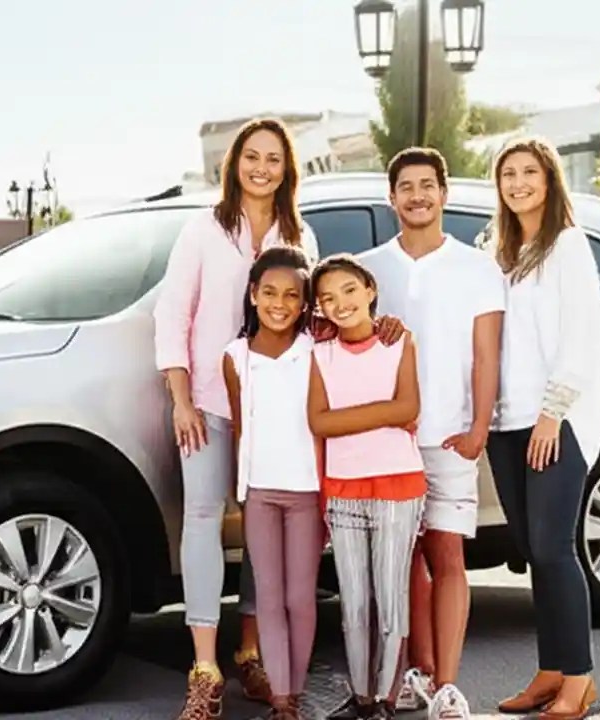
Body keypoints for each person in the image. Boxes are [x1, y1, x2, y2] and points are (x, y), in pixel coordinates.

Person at [153, 117, 319, 720]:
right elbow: (173, 313)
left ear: (287, 168)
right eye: (253, 156)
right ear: (235, 162)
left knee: (260, 529)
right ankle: (205, 668)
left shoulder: (300, 234)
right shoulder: (203, 229)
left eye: (274, 158)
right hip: (207, 403)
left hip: (277, 411)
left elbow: (315, 316)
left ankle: (252, 652)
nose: (262, 168)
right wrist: (180, 397)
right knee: (200, 519)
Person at [359, 147, 505, 720]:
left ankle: (447, 685)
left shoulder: (477, 268)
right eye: (406, 187)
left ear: (444, 194)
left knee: (446, 554)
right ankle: (416, 673)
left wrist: (478, 430)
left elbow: (486, 356)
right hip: (387, 438)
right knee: (400, 563)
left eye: (427, 185)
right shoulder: (370, 268)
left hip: (449, 436)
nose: (417, 196)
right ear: (391, 197)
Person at [483, 137, 600, 720]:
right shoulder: (499, 252)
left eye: (529, 171)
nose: (518, 182)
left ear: (550, 179)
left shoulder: (568, 246)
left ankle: (579, 679)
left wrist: (552, 412)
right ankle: (550, 670)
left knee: (555, 547)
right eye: (508, 173)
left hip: (557, 420)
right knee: (533, 549)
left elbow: (580, 336)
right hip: (507, 421)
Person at [307, 254, 425, 720]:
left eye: (350, 291)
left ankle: (386, 699)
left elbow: (408, 408)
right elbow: (318, 420)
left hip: (400, 486)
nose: (341, 304)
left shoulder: (400, 344)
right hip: (343, 490)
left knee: (391, 596)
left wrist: (349, 421)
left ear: (371, 290)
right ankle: (360, 696)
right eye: (328, 299)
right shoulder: (320, 354)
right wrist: (384, 413)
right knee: (353, 601)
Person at [223, 246, 324, 720]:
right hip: (259, 493)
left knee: (300, 597)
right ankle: (281, 701)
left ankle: (296, 690)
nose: (279, 303)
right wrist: (240, 493)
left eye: (291, 295)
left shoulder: (317, 350)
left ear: (305, 303)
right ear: (253, 294)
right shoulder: (236, 357)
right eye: (269, 292)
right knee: (267, 595)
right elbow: (241, 427)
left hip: (306, 492)